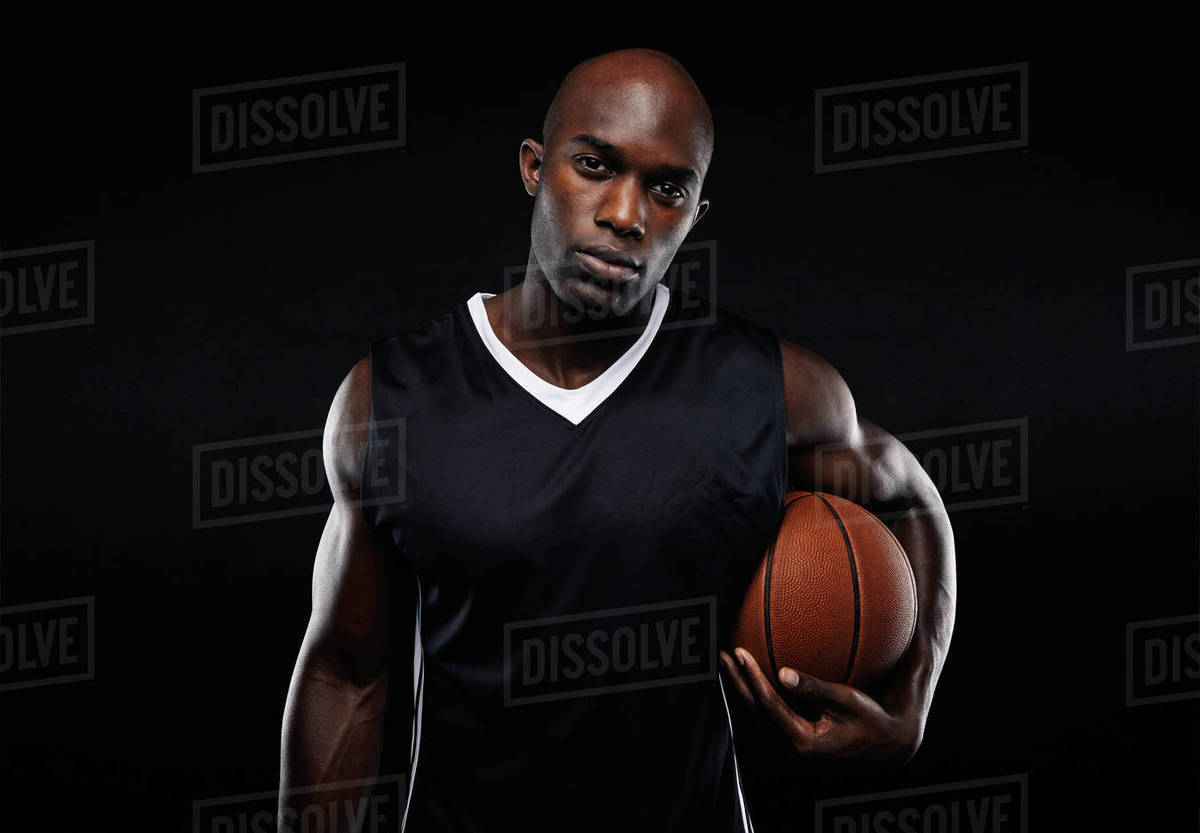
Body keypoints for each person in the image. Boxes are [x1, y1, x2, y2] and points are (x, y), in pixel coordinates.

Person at [279, 47, 956, 832]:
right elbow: (348, 671)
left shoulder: (771, 389)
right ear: (536, 167)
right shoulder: (391, 400)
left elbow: (909, 497)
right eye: (595, 164)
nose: (626, 214)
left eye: (667, 188)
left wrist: (910, 704)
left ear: (696, 213)